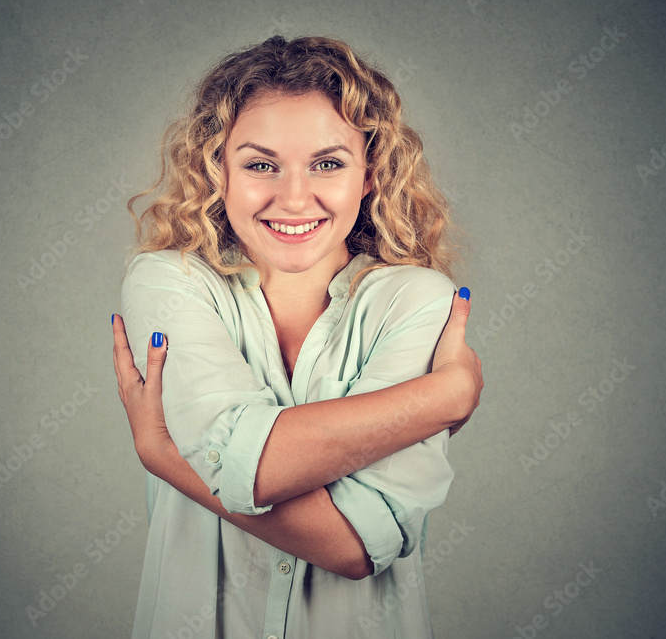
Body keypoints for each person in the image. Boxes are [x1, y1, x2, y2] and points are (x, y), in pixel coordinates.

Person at [111, 35, 483, 639]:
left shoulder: (417, 301)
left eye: (329, 163)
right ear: (217, 173)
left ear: (370, 176)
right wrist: (448, 397)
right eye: (260, 164)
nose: (293, 197)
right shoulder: (168, 282)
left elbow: (359, 546)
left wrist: (169, 457)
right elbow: (253, 472)